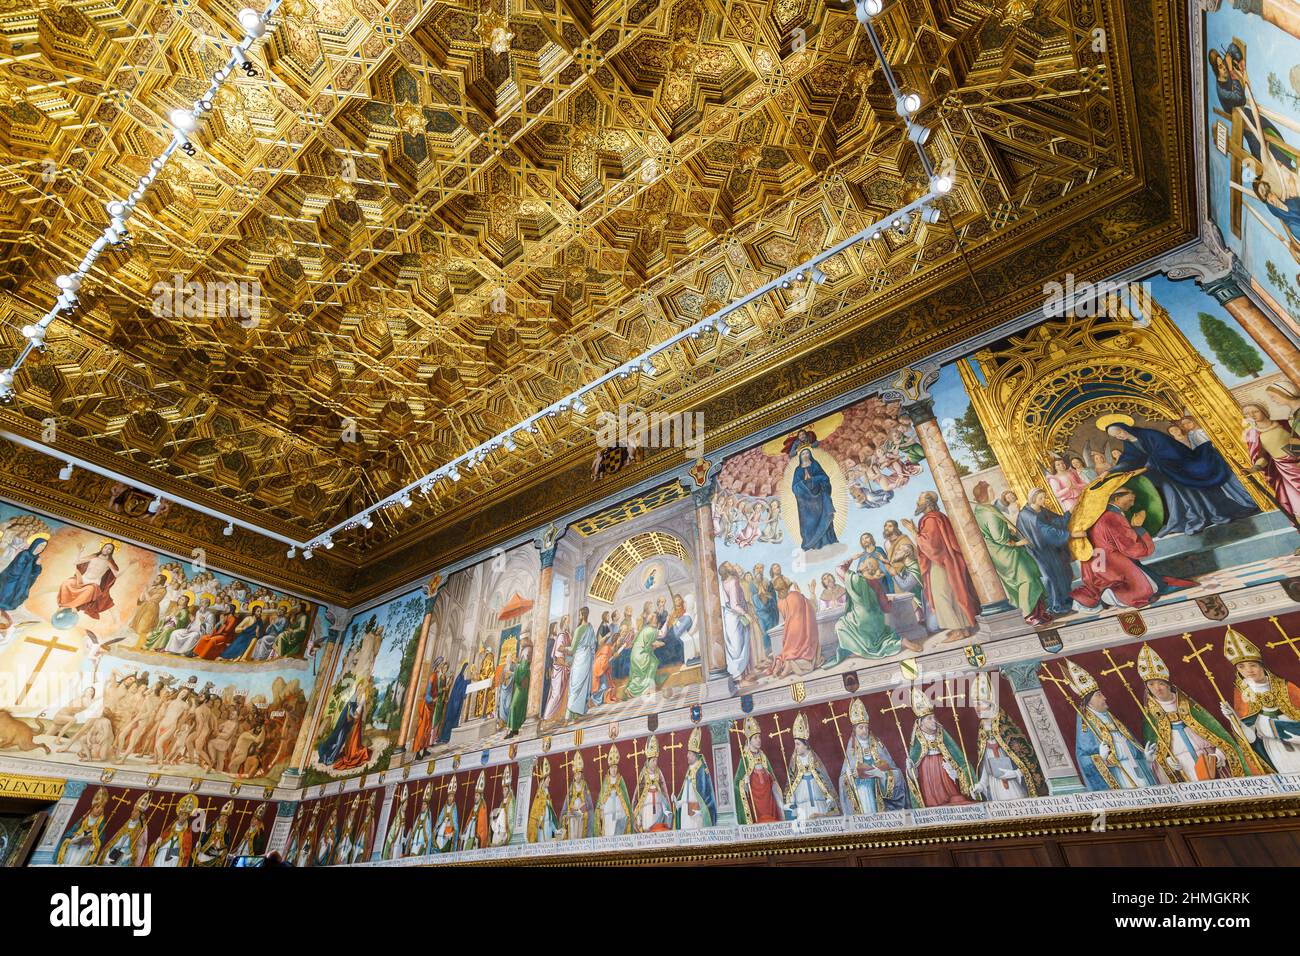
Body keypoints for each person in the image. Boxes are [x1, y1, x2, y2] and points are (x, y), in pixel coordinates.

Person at [1100, 414, 1256, 537]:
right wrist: (1111, 471)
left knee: (1183, 488)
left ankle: (1201, 515)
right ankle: (1188, 518)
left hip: (1179, 466)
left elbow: (1169, 450)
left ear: (1124, 427)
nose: (1119, 436)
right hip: (1164, 471)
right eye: (1115, 436)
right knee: (1170, 490)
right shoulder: (1129, 443)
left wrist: (1150, 463)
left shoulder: (1149, 434)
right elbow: (1129, 459)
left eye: (1119, 432)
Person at [1137, 644, 1259, 782]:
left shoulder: (1191, 707)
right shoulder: (1151, 718)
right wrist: (1166, 763)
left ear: (1168, 684)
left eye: (1160, 683)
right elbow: (1154, 757)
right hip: (1184, 772)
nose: (1157, 689)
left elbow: (1222, 739)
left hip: (1212, 767)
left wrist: (1217, 756)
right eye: (1151, 684)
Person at [1069, 485, 1194, 611]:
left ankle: (1107, 594)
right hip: (1112, 563)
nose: (1132, 503)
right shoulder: (1112, 516)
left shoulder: (1100, 515)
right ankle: (1115, 595)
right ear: (1116, 499)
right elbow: (1130, 547)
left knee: (1152, 580)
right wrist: (1138, 528)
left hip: (1099, 564)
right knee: (1142, 588)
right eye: (1129, 499)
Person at [1066, 660, 1158, 791]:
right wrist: (1100, 758)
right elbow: (1084, 759)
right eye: (1099, 695)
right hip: (1119, 775)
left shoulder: (1112, 718)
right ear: (1089, 702)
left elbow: (1130, 745)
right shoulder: (1086, 725)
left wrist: (1145, 758)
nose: (1104, 698)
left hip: (1138, 769)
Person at [971, 481, 1051, 626]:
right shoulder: (988, 513)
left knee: (1021, 582)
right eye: (990, 490)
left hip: (1000, 553)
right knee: (1027, 580)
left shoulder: (981, 509)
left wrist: (1008, 531)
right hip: (1006, 553)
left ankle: (1037, 613)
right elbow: (998, 537)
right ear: (984, 494)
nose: (993, 491)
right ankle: (1029, 616)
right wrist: (1017, 543)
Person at [903, 492, 980, 642]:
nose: (917, 503)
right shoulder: (937, 517)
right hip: (945, 561)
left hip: (939, 562)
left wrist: (912, 531)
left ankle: (957, 629)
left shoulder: (931, 519)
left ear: (927, 502)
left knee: (941, 595)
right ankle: (963, 628)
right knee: (952, 594)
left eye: (919, 499)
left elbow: (932, 545)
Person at [1222, 627, 1300, 773]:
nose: (1248, 670)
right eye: (1241, 667)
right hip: (1274, 748)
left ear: (1261, 666)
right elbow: (1250, 738)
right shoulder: (1242, 694)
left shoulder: (1283, 686)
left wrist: (1280, 728)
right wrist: (1233, 718)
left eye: (1253, 665)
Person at [969, 672, 1045, 801]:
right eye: (974, 704)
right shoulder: (982, 729)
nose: (976, 708)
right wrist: (981, 785)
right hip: (995, 785)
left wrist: (1015, 773)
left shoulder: (1005, 728)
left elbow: (1028, 760)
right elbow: (986, 762)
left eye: (979, 703)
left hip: (1015, 783)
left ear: (990, 703)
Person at [906, 688, 975, 807]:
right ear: (921, 722)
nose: (934, 721)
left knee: (954, 796)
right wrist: (911, 767)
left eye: (934, 717)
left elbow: (958, 757)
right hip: (926, 771)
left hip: (943, 767)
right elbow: (914, 764)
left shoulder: (941, 732)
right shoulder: (917, 738)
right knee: (933, 801)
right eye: (929, 719)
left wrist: (956, 770)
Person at [837, 698, 908, 814]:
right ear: (854, 730)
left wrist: (882, 775)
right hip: (862, 793)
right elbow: (843, 779)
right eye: (861, 727)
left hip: (879, 792)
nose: (864, 730)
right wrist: (849, 777)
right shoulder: (851, 750)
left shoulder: (878, 745)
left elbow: (895, 771)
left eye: (866, 727)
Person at [1015, 489, 1075, 618]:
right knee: (1050, 578)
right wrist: (1070, 535)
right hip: (1038, 552)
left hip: (1050, 549)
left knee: (1062, 573)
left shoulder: (1042, 510)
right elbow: (1046, 531)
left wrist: (1068, 514)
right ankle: (1056, 607)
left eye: (1044, 497)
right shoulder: (1026, 515)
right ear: (1033, 498)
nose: (1043, 500)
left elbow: (1055, 522)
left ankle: (1066, 603)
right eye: (1041, 498)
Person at [834, 559, 908, 661]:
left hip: (860, 619)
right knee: (882, 636)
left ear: (864, 567)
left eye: (862, 563)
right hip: (876, 620)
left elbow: (838, 569)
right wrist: (890, 601)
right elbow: (886, 608)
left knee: (840, 625)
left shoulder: (854, 579)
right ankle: (901, 642)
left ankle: (859, 651)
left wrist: (850, 560)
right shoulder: (875, 582)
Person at [1242, 402, 1300, 522]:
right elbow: (1263, 457)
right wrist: (1254, 468)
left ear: (1263, 410)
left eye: (1255, 411)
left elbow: (1297, 441)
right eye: (1247, 414)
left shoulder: (1284, 423)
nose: (1252, 415)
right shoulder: (1253, 434)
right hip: (1285, 473)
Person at [783, 712, 839, 820]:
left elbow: (824, 783)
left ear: (805, 745)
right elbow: (790, 786)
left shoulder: (815, 761)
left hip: (819, 805)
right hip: (802, 807)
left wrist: (829, 799)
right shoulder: (794, 764)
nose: (796, 748)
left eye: (798, 744)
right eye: (795, 744)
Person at [733, 717, 785, 824]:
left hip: (768, 798)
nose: (758, 740)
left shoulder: (763, 756)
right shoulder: (745, 758)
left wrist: (775, 785)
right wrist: (744, 782)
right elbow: (737, 783)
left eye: (759, 737)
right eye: (755, 737)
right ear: (749, 740)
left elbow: (772, 778)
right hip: (755, 801)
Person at [791, 446, 838, 551]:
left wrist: (812, 480)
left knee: (824, 518)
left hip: (820, 499)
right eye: (803, 454)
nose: (805, 455)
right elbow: (794, 487)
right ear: (800, 457)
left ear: (810, 455)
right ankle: (812, 545)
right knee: (809, 524)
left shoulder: (815, 465)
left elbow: (825, 478)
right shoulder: (798, 471)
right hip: (806, 505)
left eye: (807, 453)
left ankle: (828, 542)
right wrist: (805, 483)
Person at [0, 537, 46, 634]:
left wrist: (37, 565)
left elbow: (35, 573)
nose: (41, 548)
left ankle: (3, 610)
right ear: (35, 545)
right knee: (7, 593)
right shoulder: (25, 554)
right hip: (12, 579)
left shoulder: (37, 558)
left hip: (24, 582)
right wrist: (29, 570)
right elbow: (16, 569)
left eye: (44, 547)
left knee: (16, 596)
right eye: (41, 545)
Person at [675, 728, 716, 829]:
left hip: (696, 813)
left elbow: (705, 795)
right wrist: (678, 802)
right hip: (685, 811)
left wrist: (701, 811)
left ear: (695, 755)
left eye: (689, 753)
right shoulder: (690, 770)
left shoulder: (701, 769)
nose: (687, 756)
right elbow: (686, 793)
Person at [632, 737, 674, 832]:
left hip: (658, 807)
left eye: (656, 760)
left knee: (658, 828)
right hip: (646, 808)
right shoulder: (643, 774)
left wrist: (668, 809)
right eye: (653, 761)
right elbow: (637, 795)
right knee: (647, 829)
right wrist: (637, 814)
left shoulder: (659, 773)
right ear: (648, 761)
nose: (655, 763)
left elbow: (664, 792)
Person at [567, 607, 597, 720]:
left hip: (580, 658)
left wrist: (562, 649)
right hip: (587, 658)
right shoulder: (590, 628)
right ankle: (578, 712)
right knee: (582, 685)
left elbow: (572, 649)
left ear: (581, 615)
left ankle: (570, 714)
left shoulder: (579, 629)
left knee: (575, 685)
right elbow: (593, 645)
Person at [596, 745, 633, 836]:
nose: (614, 769)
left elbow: (625, 799)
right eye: (612, 767)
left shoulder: (620, 780)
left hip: (619, 812)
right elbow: (601, 800)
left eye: (615, 767)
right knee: (608, 830)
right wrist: (600, 808)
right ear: (609, 768)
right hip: (608, 813)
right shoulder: (605, 781)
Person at [560, 752, 595, 840]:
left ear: (581, 774)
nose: (578, 776)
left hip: (582, 815)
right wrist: (567, 813)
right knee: (573, 832)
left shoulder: (584, 785)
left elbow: (588, 803)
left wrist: (582, 809)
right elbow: (567, 803)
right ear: (574, 776)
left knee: (580, 833)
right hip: (572, 814)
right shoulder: (571, 787)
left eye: (579, 774)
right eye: (576, 774)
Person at [437, 662, 470, 744]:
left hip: (458, 700)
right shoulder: (460, 677)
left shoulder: (462, 678)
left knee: (453, 719)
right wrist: (467, 682)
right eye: (466, 669)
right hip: (454, 701)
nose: (467, 671)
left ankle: (448, 737)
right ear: (463, 669)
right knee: (449, 719)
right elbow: (458, 688)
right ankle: (445, 737)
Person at [505, 645, 530, 738]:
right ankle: (514, 729)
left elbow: (521, 674)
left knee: (514, 707)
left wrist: (515, 672)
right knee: (516, 707)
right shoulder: (521, 663)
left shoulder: (523, 663)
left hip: (521, 689)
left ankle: (513, 729)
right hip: (520, 688)